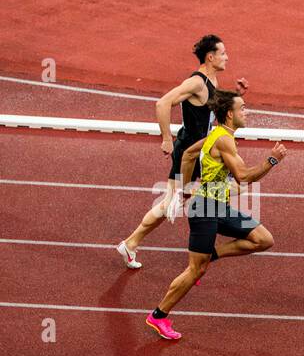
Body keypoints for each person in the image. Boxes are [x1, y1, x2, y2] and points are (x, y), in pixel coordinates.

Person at [144, 91, 281, 340]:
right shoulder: (223, 140)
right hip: (205, 209)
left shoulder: (216, 135)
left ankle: (212, 256)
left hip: (218, 207)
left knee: (263, 240)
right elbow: (243, 176)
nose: (246, 112)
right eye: (243, 108)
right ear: (230, 114)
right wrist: (272, 160)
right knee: (195, 271)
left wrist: (181, 188)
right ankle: (158, 315)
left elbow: (187, 154)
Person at [117, 34, 248, 269]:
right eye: (223, 53)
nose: (227, 57)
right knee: (172, 203)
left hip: (202, 152)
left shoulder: (212, 82)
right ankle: (131, 242)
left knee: (179, 201)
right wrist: (166, 138)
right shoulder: (197, 82)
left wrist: (237, 95)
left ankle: (132, 242)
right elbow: (162, 103)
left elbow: (213, 113)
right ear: (210, 57)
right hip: (188, 152)